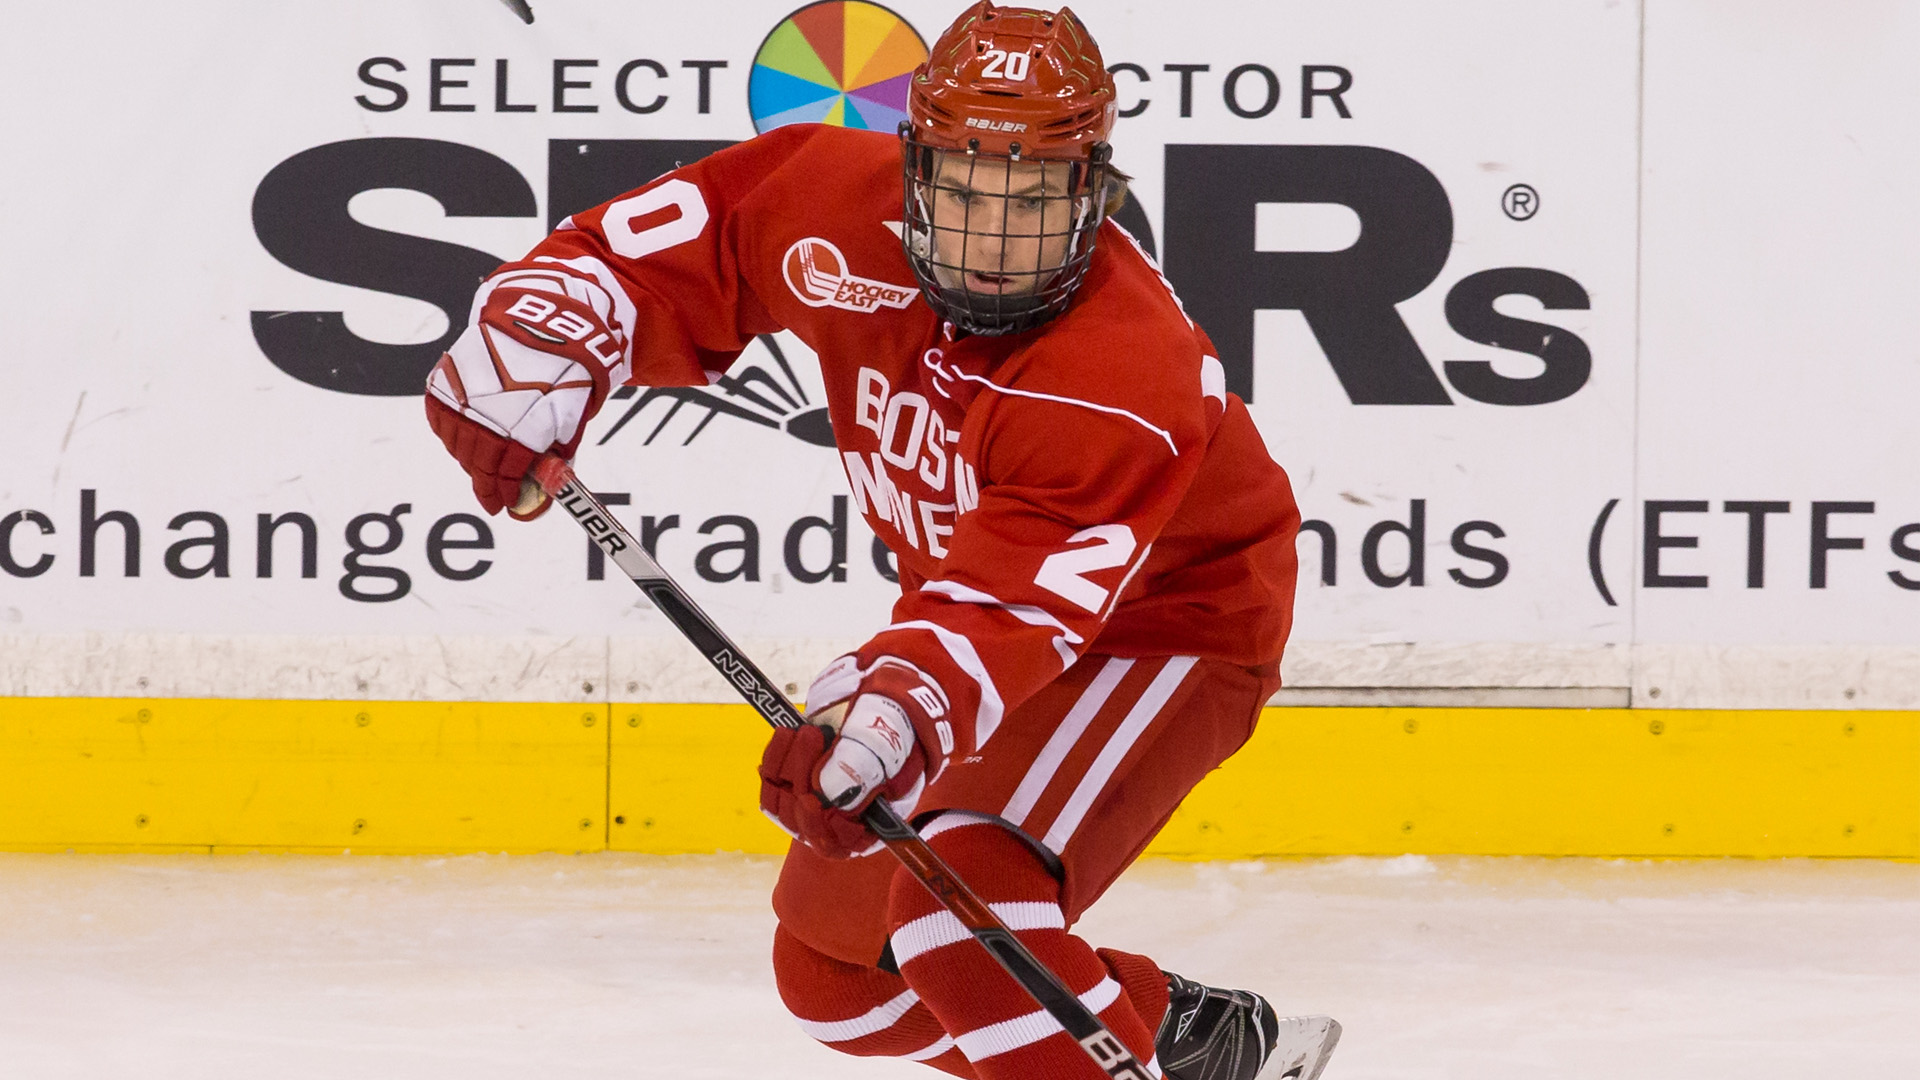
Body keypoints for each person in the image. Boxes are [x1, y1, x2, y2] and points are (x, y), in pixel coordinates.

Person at [424, 4, 1338, 1077]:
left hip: (1167, 624)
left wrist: (895, 707)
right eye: (962, 192)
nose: (994, 245)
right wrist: (545, 331)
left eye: (1035, 199)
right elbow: (656, 252)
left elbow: (1009, 608)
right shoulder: (830, 199)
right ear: (913, 168)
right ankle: (1187, 1042)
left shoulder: (1123, 372)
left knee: (965, 920)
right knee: (838, 987)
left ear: (1095, 189)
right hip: (976, 623)